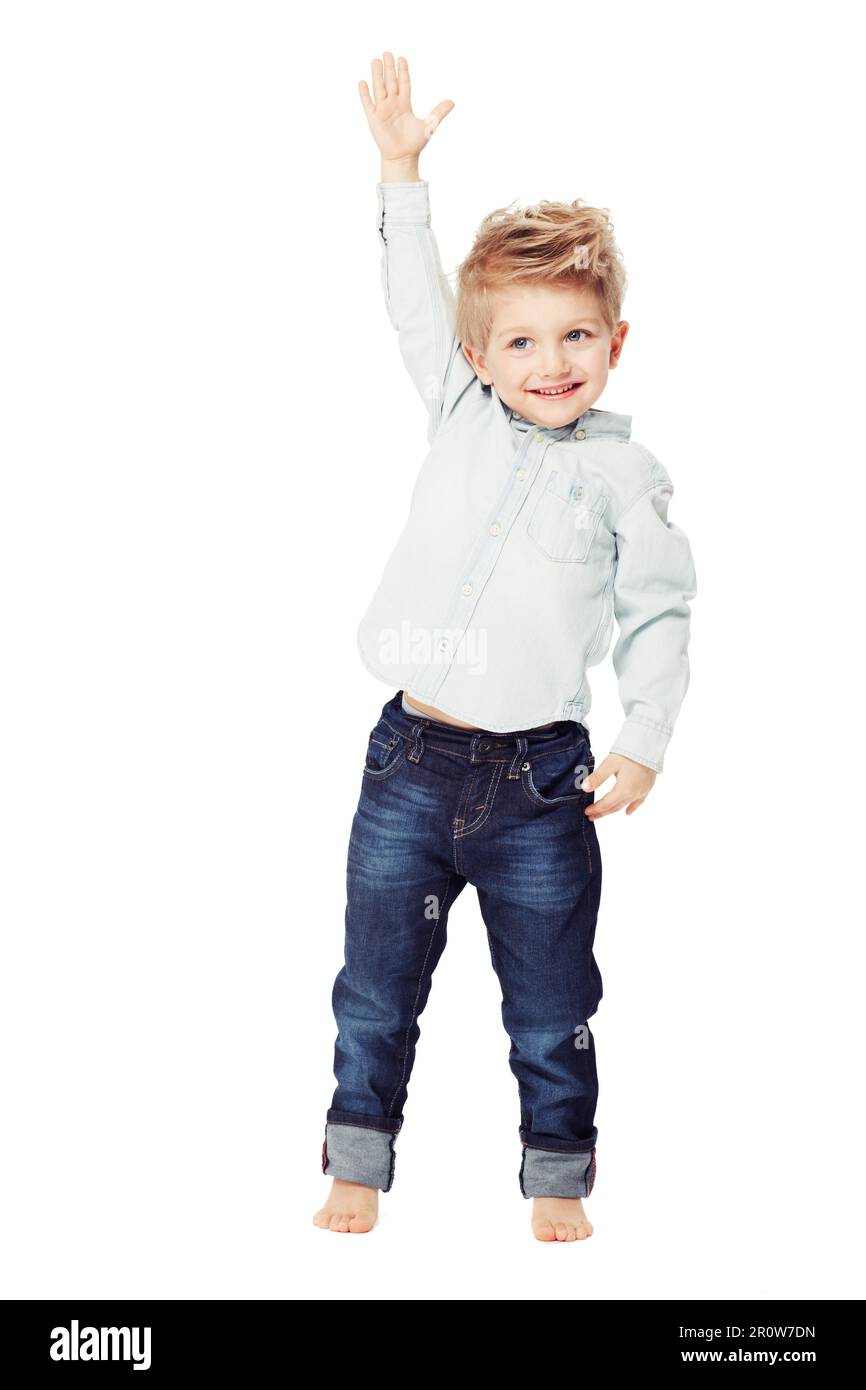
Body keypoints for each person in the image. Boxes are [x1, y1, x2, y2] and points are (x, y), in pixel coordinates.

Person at [313, 51, 697, 1241]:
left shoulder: (626, 475)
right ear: (482, 358)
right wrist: (398, 173)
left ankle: (555, 1176)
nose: (551, 363)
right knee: (376, 991)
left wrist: (640, 741)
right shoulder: (458, 404)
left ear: (615, 340)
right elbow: (415, 298)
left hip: (541, 785)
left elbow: (660, 612)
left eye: (575, 334)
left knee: (551, 997)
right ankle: (355, 1164)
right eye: (521, 343)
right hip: (407, 766)